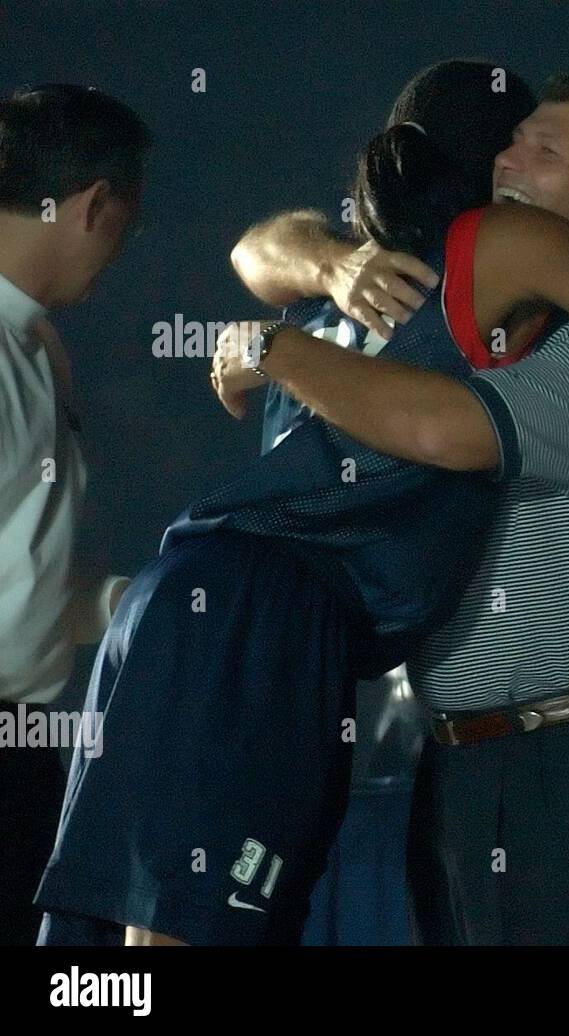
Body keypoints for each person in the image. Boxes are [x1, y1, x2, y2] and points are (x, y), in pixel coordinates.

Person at [36, 60, 569, 947]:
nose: (511, 165)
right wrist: (313, 289)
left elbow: (441, 432)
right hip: (424, 731)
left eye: (540, 151)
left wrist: (270, 342)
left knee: (154, 934)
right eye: (506, 148)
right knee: (163, 935)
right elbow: (270, 255)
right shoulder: (406, 301)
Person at [0, 84, 142, 945]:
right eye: (127, 223)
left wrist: (132, 603)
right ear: (94, 205)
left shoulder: (33, 345)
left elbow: (17, 563)